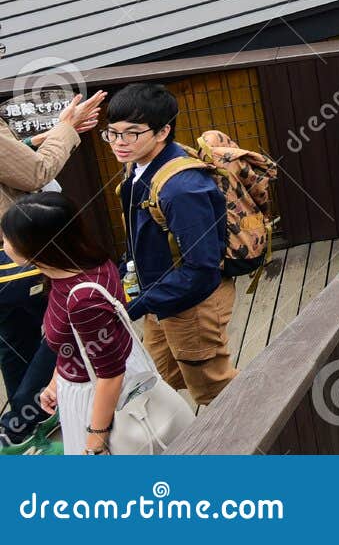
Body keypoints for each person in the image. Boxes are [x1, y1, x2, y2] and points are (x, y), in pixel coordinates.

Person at [109, 83, 237, 406]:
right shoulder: (138, 166)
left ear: (163, 130)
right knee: (158, 381)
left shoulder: (181, 189)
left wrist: (135, 305)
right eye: (112, 133)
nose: (119, 143)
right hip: (159, 299)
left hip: (191, 306)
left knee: (220, 395)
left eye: (132, 133)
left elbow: (202, 269)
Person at [0, 91, 105, 454]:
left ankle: (22, 430)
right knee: (53, 335)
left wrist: (33, 141)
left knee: (13, 341)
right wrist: (64, 129)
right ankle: (20, 425)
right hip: (12, 255)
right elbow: (35, 173)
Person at [1, 192, 136, 455]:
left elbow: (111, 374)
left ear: (34, 247)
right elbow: (74, 344)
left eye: (8, 239)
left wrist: (95, 443)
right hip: (77, 383)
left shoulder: (82, 301)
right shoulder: (86, 266)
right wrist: (55, 382)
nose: (4, 244)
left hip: (94, 395)